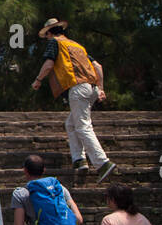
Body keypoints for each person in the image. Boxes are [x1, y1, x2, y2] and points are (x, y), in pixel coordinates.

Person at [31, 18, 115, 184]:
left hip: (77, 88)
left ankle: (102, 163)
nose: (46, 38)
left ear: (49, 32)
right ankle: (79, 160)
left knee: (83, 126)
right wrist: (101, 88)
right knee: (71, 124)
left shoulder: (55, 43)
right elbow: (98, 66)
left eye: (46, 35)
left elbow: (48, 64)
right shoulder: (77, 45)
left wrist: (38, 80)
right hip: (91, 88)